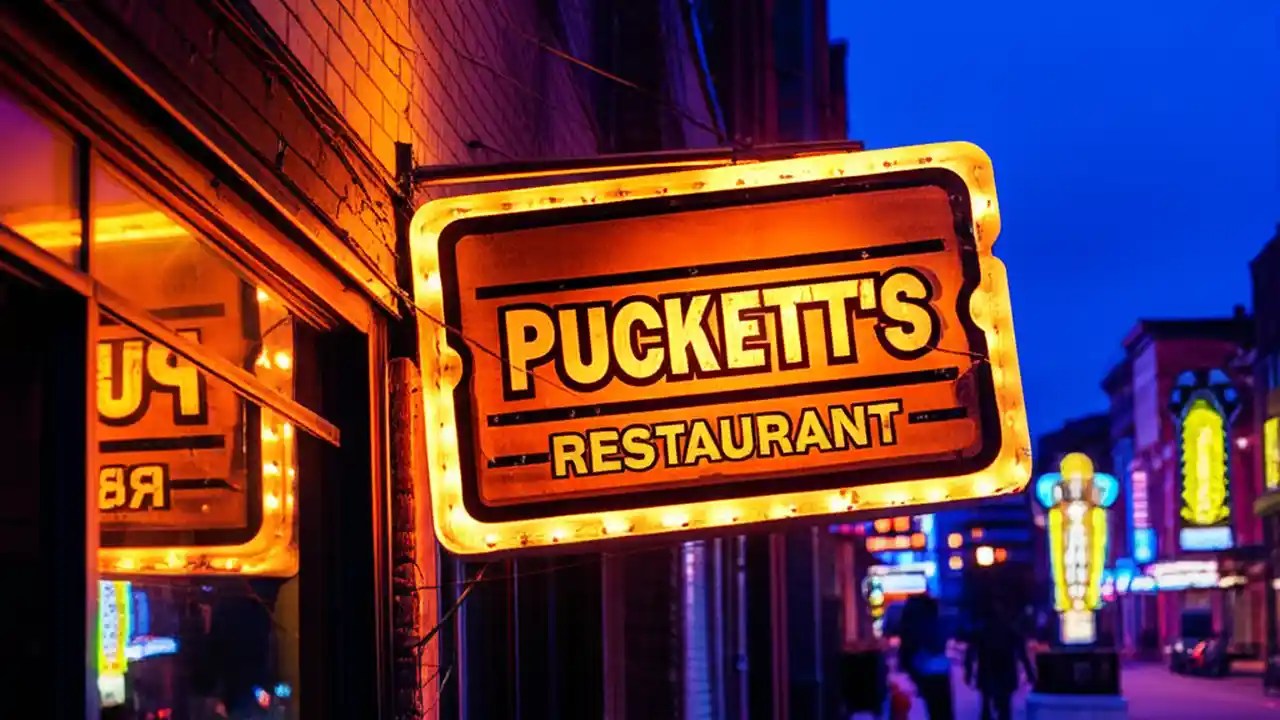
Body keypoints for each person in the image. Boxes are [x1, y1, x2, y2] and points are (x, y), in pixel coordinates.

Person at [964, 600, 1037, 720]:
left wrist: (968, 671)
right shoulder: (1010, 629)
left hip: (987, 670)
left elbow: (971, 651)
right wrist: (1029, 672)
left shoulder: (982, 630)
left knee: (986, 705)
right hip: (1005, 671)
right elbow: (1021, 652)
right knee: (1004, 707)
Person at [897, 594, 954, 720]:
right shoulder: (932, 619)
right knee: (942, 708)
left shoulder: (912, 621)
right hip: (938, 667)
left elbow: (907, 647)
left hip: (924, 666)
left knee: (933, 707)